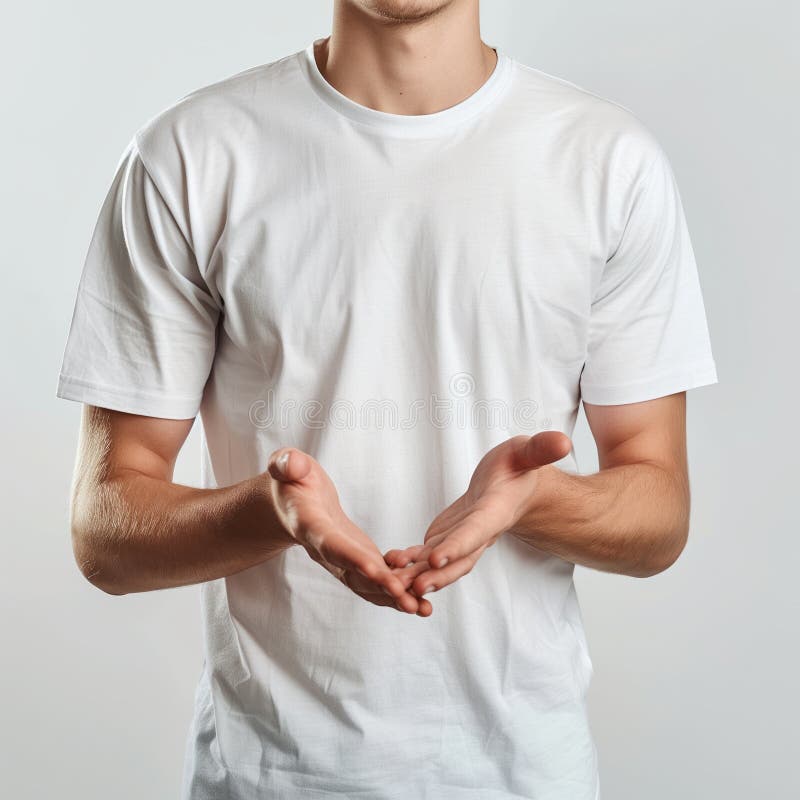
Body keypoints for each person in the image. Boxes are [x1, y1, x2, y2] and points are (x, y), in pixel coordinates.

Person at [56, 1, 718, 797]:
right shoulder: (190, 157)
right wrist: (271, 514)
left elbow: (659, 517)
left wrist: (535, 500)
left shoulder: (607, 161)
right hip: (268, 777)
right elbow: (105, 532)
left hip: (522, 775)